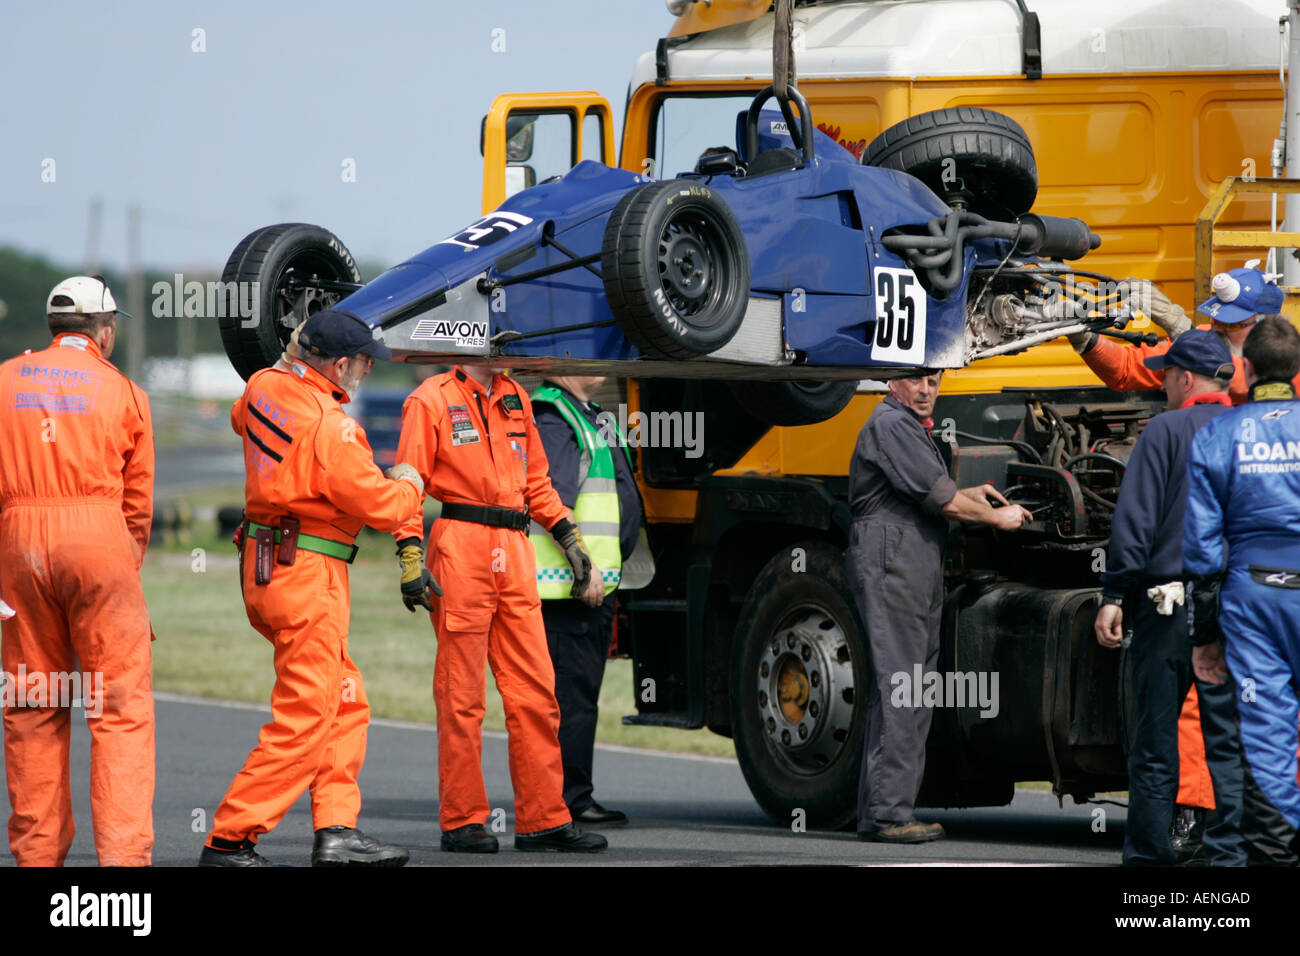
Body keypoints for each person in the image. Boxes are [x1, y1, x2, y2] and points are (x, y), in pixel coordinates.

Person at [199, 308, 425, 867]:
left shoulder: (262, 387)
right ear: (342, 364)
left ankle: (338, 830)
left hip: (267, 566)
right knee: (309, 712)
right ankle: (230, 837)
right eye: (366, 364)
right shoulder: (335, 428)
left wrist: (285, 361)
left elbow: (238, 417)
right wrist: (411, 484)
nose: (368, 373)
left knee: (346, 702)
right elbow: (379, 507)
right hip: (308, 577)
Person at [392, 364, 607, 853]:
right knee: (461, 696)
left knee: (535, 691)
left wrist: (569, 539)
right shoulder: (431, 398)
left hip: (515, 549)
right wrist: (409, 554)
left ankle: (544, 819)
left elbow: (538, 483)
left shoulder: (516, 397)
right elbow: (408, 484)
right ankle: (463, 819)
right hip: (460, 546)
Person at [0, 276, 154, 866]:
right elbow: (137, 506)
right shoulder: (124, 392)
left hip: (18, 542)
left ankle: (38, 860)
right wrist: (120, 573)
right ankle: (121, 867)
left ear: (52, 328)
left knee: (33, 704)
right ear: (105, 333)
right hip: (98, 539)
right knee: (118, 708)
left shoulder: (8, 376)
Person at [848, 367, 1032, 843]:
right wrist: (998, 517)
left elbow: (932, 495)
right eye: (915, 380)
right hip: (896, 563)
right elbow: (942, 502)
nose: (926, 389)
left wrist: (971, 495)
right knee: (902, 685)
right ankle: (890, 814)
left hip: (909, 562)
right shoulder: (891, 424)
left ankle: (881, 811)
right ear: (892, 383)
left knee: (904, 685)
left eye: (934, 380)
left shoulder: (907, 426)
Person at [1092, 329, 1245, 866]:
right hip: (1238, 611)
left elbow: (1135, 521)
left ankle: (1149, 860)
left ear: (1184, 378)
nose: (1161, 387)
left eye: (1165, 377)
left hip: (1169, 608)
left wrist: (1114, 594)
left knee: (1156, 741)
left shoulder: (1164, 431)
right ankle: (1228, 854)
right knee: (1228, 739)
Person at [1185, 316, 1300, 865]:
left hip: (1252, 597)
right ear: (1297, 371)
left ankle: (1272, 859)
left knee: (1265, 734)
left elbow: (1202, 549)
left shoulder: (1216, 435)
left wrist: (1204, 634)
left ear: (1244, 369)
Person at [531, 376, 643, 827]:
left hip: (590, 586)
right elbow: (555, 501)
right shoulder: (553, 417)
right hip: (568, 589)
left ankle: (571, 797)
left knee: (581, 697)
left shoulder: (586, 414)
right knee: (569, 699)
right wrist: (583, 566)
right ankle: (565, 802)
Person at [1068, 266, 1297, 404]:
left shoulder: (1289, 357)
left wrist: (1184, 332)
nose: (1217, 327)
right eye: (1215, 319)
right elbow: (1126, 370)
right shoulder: (1205, 338)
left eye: (1229, 323)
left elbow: (1244, 383)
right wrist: (1085, 337)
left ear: (1263, 324)